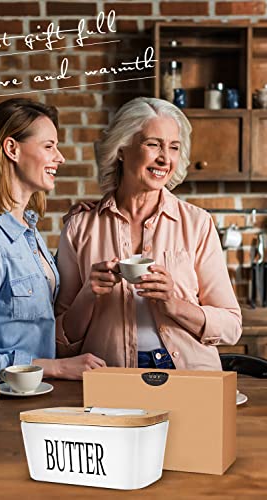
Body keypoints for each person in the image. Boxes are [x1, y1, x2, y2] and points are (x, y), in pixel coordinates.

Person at [55, 97, 242, 371]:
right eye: (153, 144)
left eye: (174, 147)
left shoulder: (197, 224)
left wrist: (174, 304)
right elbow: (60, 340)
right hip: (111, 373)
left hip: (190, 371)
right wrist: (88, 294)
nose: (165, 158)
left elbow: (231, 326)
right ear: (122, 149)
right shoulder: (80, 227)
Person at [0, 98, 106, 380]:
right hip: (4, 403)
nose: (60, 157)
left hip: (34, 395)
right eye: (49, 146)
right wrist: (55, 367)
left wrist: (74, 228)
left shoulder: (28, 231)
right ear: (12, 149)